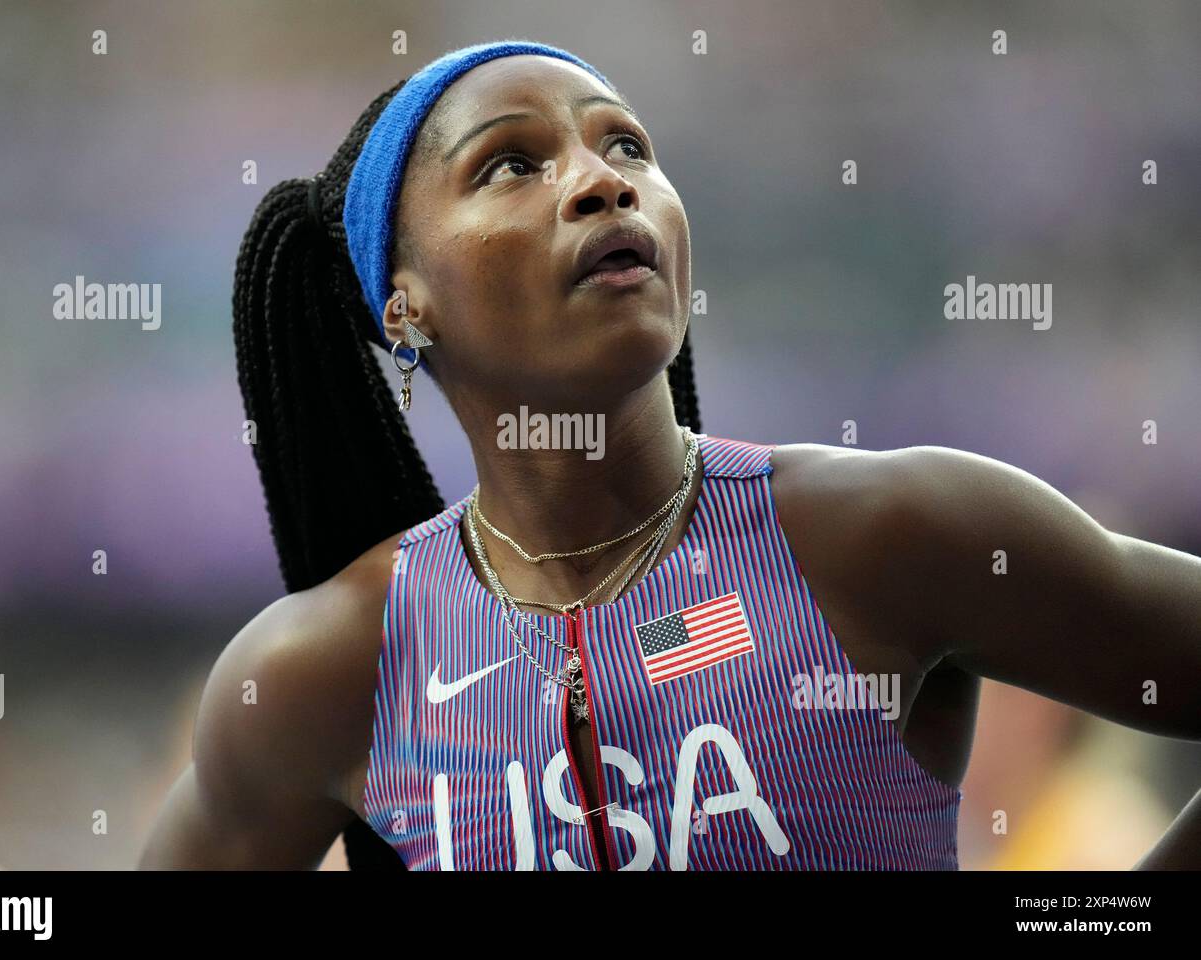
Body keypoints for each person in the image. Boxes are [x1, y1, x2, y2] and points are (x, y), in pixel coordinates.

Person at [138, 40, 1201, 871]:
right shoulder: (330, 669)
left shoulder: (891, 535)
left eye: (628, 147)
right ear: (402, 304)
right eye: (511, 163)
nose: (603, 182)